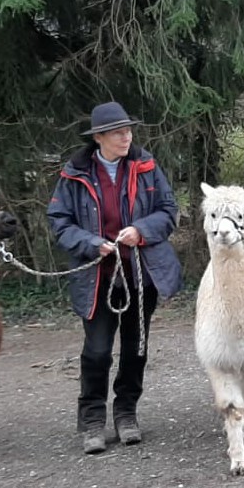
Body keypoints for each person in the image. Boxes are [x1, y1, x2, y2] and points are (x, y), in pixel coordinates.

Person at [47, 101, 183, 454]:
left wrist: (141, 229)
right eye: (119, 132)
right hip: (98, 278)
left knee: (135, 349)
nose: (127, 137)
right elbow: (60, 222)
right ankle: (92, 420)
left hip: (141, 272)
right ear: (100, 137)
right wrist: (92, 243)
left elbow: (168, 211)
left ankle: (126, 414)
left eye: (128, 131)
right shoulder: (73, 175)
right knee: (97, 351)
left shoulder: (146, 166)